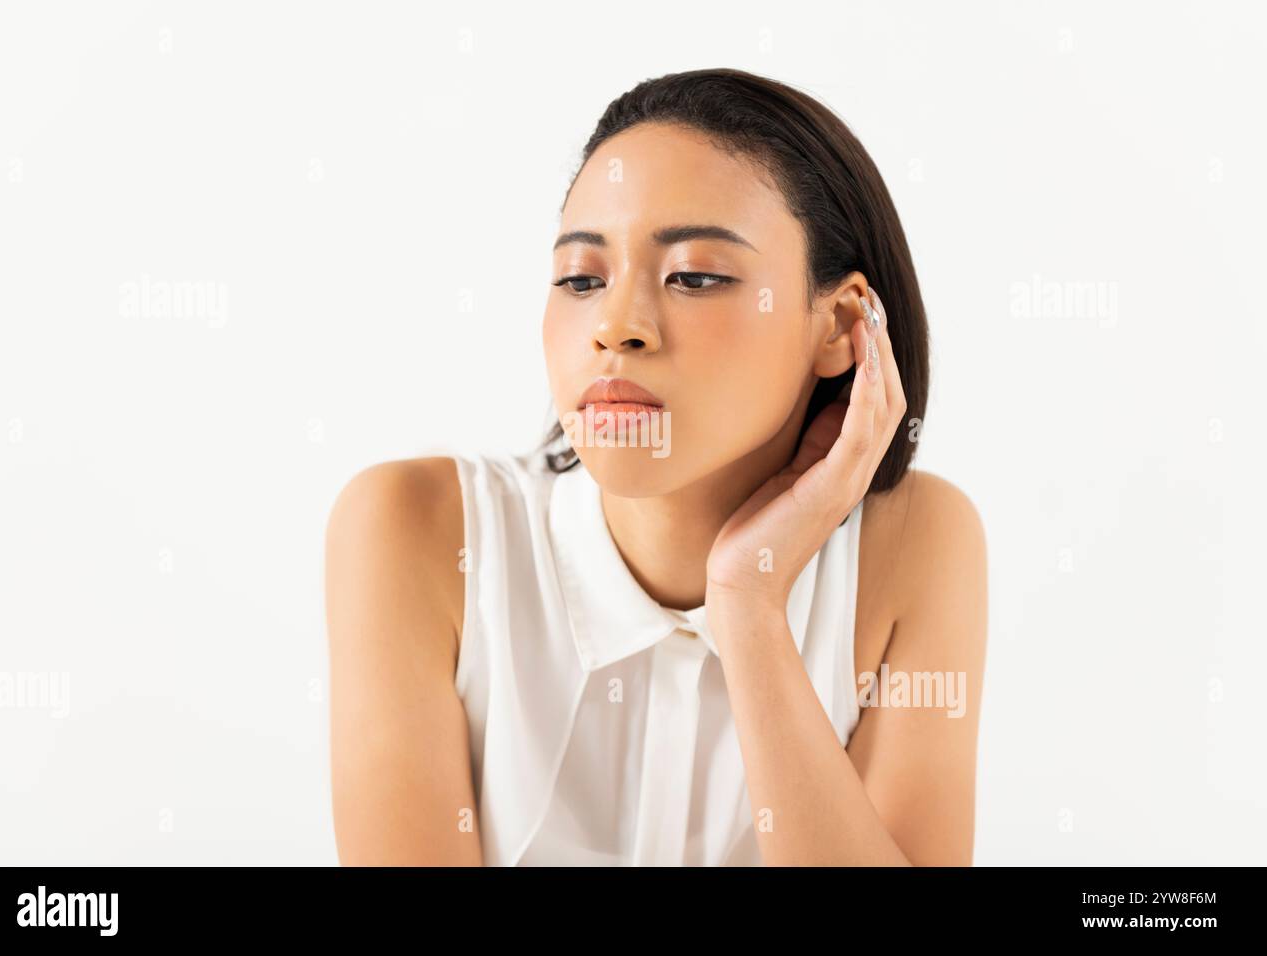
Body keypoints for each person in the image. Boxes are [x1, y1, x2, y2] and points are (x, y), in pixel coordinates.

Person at [325, 68, 987, 866]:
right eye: (580, 278)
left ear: (843, 324)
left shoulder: (915, 544)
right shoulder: (411, 530)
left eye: (694, 276)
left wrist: (749, 603)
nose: (616, 326)